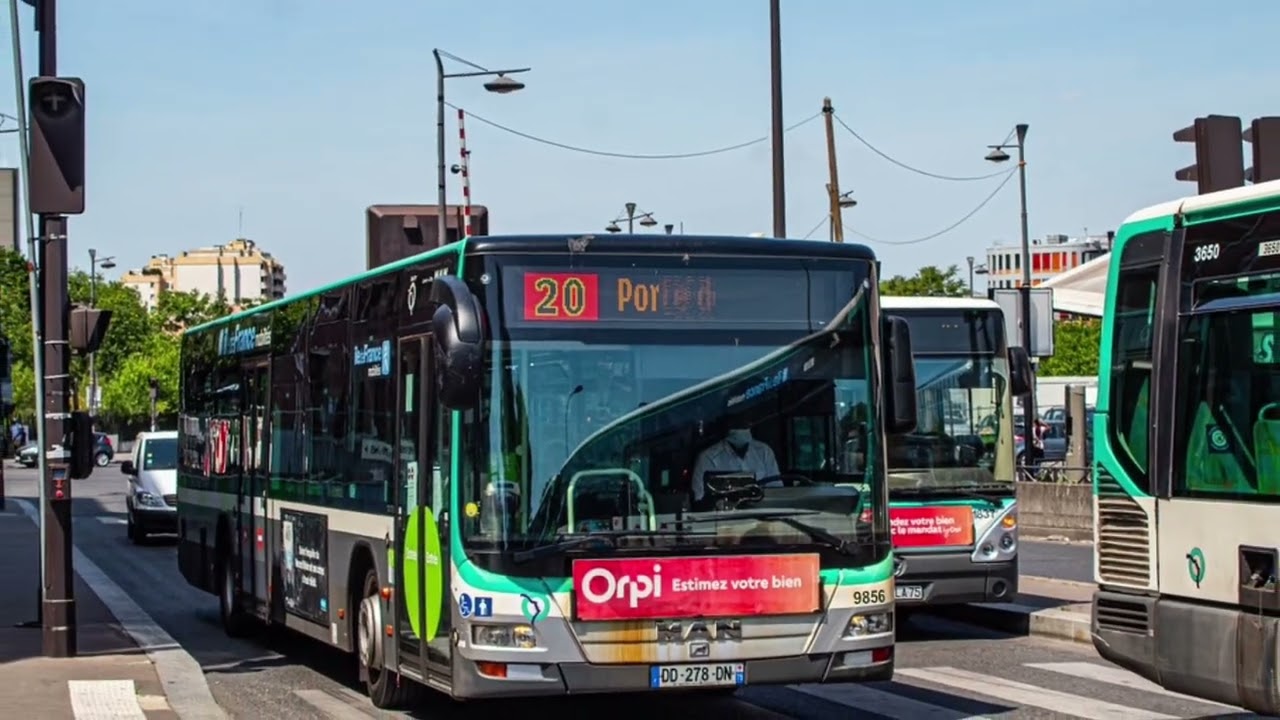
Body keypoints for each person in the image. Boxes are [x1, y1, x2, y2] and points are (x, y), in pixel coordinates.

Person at [690, 411, 780, 508]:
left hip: (762, 519)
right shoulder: (707, 458)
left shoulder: (764, 452)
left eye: (744, 423)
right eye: (737, 423)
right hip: (723, 519)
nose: (741, 427)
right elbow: (698, 499)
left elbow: (777, 492)